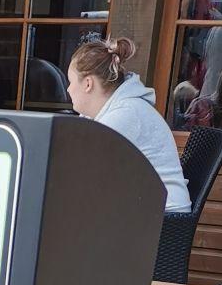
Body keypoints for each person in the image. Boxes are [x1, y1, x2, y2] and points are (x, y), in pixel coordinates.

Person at [66, 36, 190, 213]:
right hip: (145, 208)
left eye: (71, 82)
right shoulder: (115, 110)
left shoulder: (124, 115)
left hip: (162, 218)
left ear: (88, 84)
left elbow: (81, 170)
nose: (68, 89)